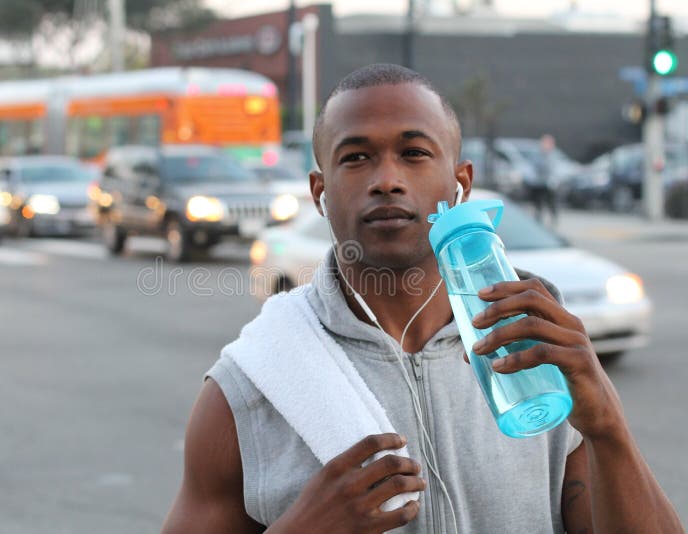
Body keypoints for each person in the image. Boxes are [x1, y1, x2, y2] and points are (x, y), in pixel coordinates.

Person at [162, 64, 683, 533]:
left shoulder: (534, 349)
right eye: (357, 157)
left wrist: (608, 429)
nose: (387, 180)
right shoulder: (252, 384)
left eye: (413, 153)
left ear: (461, 183)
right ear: (319, 192)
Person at [527, 134, 559, 225]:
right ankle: (538, 219)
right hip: (538, 183)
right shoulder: (537, 154)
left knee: (551, 202)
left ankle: (553, 219)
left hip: (549, 183)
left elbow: (553, 169)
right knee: (538, 203)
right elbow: (535, 166)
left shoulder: (553, 154)